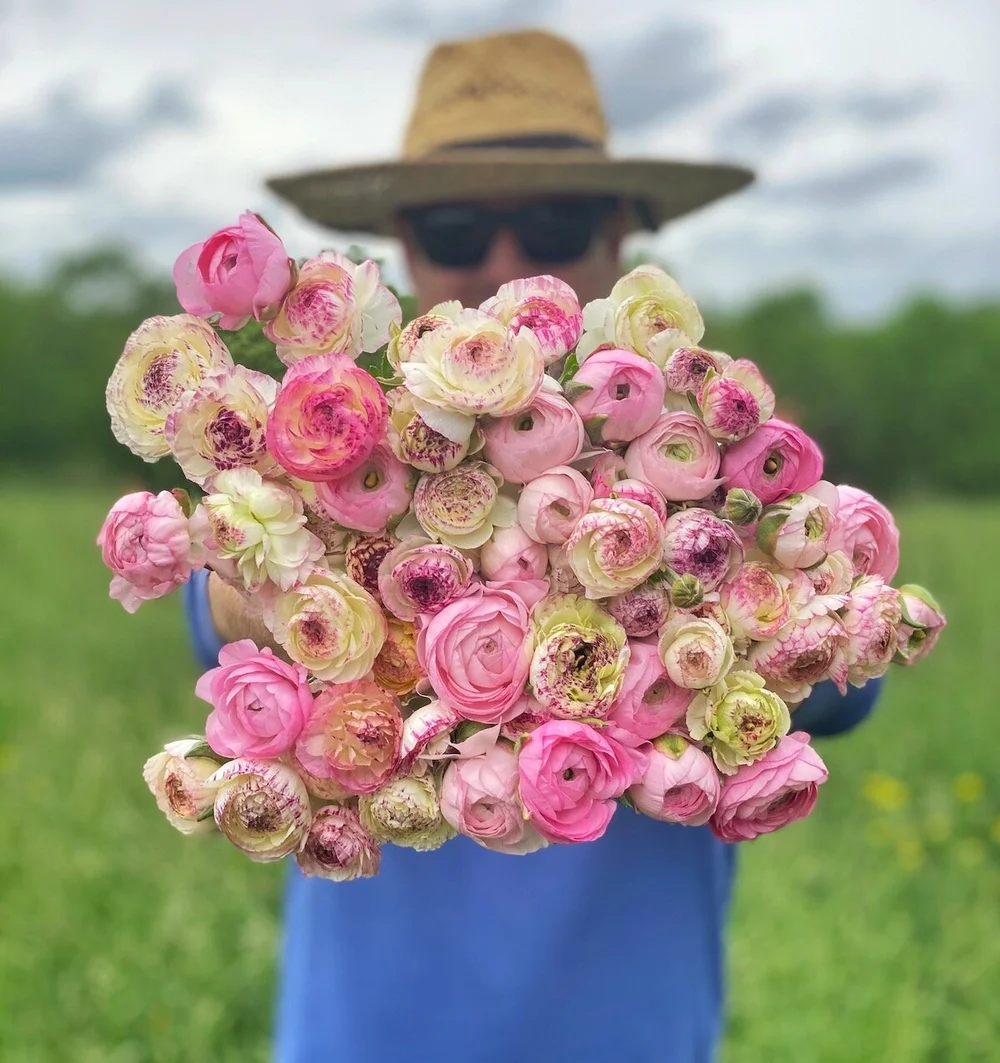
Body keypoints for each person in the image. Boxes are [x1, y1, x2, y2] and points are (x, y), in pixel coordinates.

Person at [184, 29, 882, 1063]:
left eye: (552, 222)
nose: (507, 266)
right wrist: (297, 569)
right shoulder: (315, 461)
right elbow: (224, 606)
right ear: (404, 251)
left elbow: (835, 677)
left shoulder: (718, 470)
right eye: (459, 228)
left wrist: (710, 573)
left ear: (623, 236)